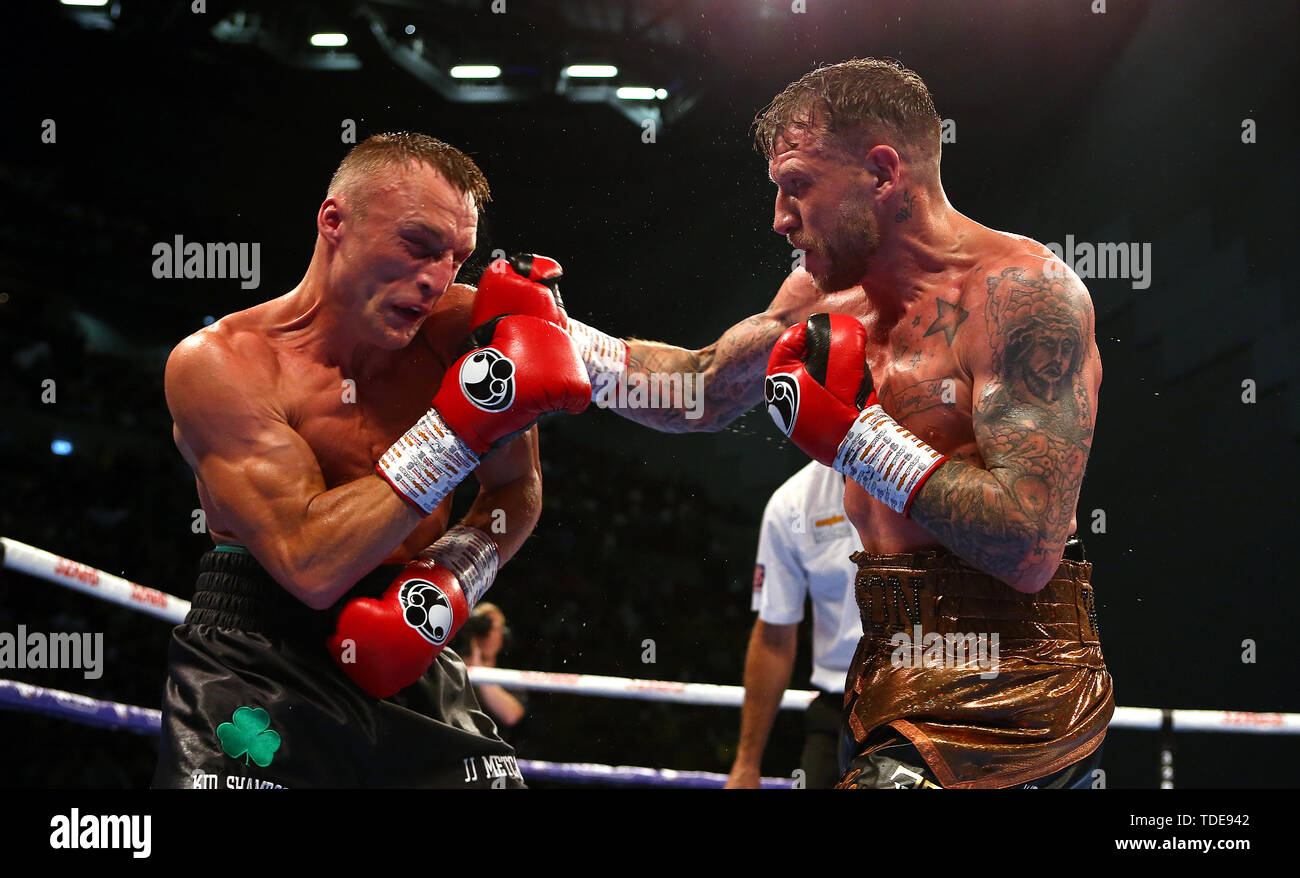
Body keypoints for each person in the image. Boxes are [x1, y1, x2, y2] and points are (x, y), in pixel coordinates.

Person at [477, 58, 1112, 789]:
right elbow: (704, 388)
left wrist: (857, 441)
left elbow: (1031, 544)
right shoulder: (821, 296)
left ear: (881, 173)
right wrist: (561, 340)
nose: (780, 219)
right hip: (883, 689)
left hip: (1014, 701)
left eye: (797, 187)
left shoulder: (1024, 296)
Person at [152, 132, 590, 789]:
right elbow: (310, 563)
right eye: (417, 245)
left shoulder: (456, 326)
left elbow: (516, 489)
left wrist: (446, 582)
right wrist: (457, 428)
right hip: (258, 655)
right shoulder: (223, 363)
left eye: (456, 256)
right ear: (335, 221)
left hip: (412, 637)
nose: (438, 277)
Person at [726, 462, 862, 789]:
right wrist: (746, 763)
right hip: (837, 712)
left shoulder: (933, 477)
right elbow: (774, 635)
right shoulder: (793, 503)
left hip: (928, 701)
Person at [459, 602, 526, 730]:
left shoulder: (509, 676)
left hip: (496, 748)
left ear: (503, 635)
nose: (489, 635)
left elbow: (511, 715)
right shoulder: (454, 667)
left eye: (495, 628)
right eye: (485, 627)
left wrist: (478, 668)